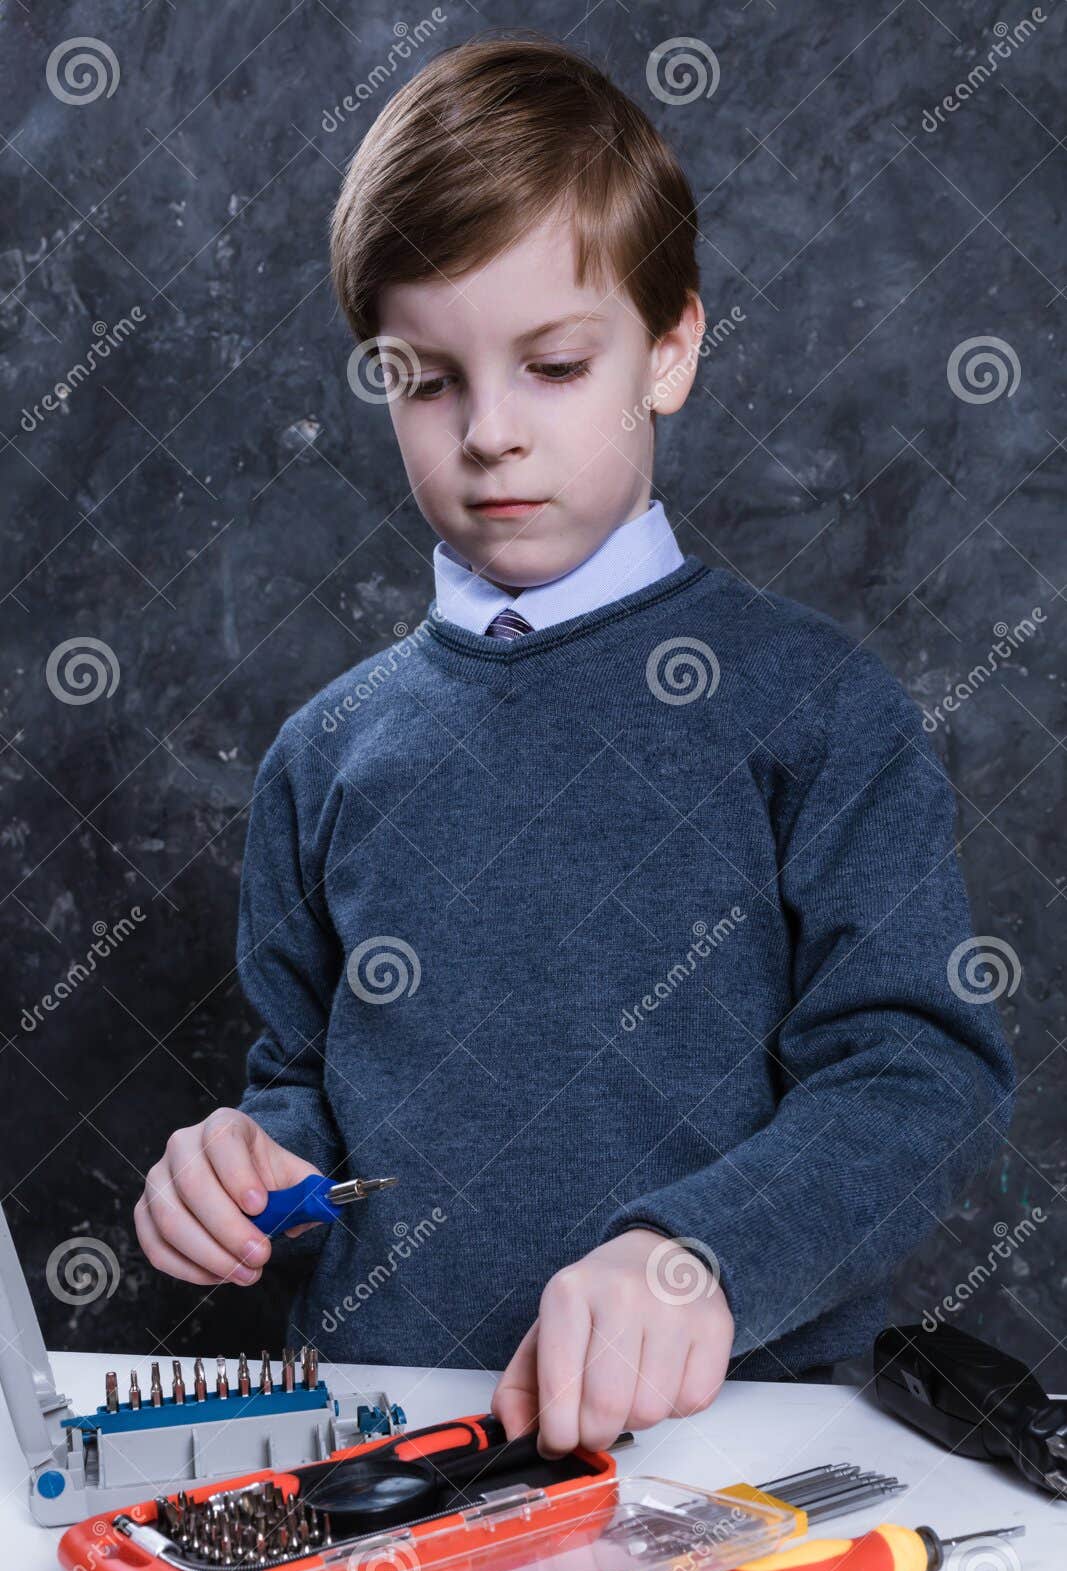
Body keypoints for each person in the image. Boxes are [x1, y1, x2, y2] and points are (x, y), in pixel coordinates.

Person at [135, 33, 1015, 1458]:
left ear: (668, 351)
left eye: (552, 365)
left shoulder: (819, 709)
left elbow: (921, 1078)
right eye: (424, 380)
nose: (490, 435)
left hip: (739, 1457)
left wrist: (694, 1251)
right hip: (385, 1456)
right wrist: (247, 1174)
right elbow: (302, 1086)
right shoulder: (327, 751)